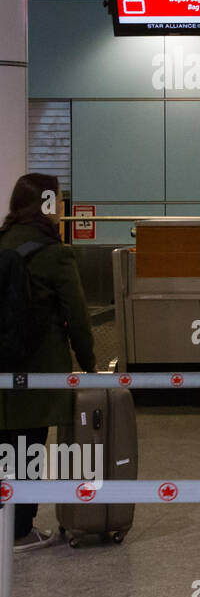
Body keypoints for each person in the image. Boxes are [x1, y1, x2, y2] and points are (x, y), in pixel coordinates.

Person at [0, 174, 95, 550]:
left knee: (5, 447)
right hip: (36, 370)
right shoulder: (55, 253)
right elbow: (79, 317)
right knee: (28, 449)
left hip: (1, 369)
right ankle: (21, 530)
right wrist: (90, 364)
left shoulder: (1, 242)